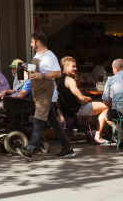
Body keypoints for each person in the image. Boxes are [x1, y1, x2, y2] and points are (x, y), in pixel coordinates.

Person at [18, 31, 74, 161]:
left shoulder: (50, 56)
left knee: (38, 120)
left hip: (46, 94)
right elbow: (39, 69)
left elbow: (58, 73)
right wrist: (27, 67)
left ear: (38, 42)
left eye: (32, 42)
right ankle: (67, 148)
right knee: (54, 123)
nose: (31, 44)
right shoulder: (38, 55)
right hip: (40, 93)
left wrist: (41, 75)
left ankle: (30, 149)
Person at [56, 56, 109, 144]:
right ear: (65, 67)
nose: (75, 68)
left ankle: (102, 132)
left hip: (64, 110)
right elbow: (82, 98)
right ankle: (98, 136)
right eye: (73, 66)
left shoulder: (57, 79)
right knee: (105, 107)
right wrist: (89, 98)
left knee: (91, 112)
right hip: (75, 110)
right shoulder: (69, 80)